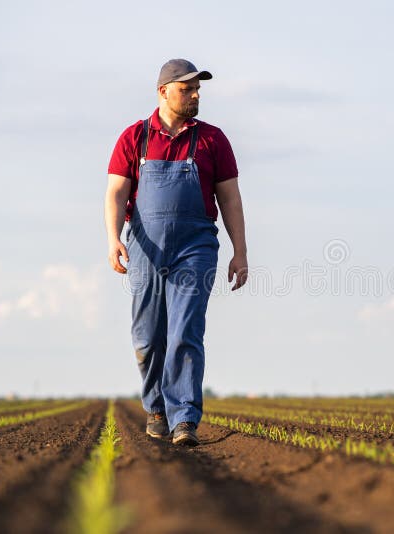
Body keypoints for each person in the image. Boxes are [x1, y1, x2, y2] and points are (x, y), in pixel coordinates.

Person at [104, 59, 248, 446]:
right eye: (187, 88)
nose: (195, 94)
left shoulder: (212, 140)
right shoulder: (135, 137)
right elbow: (117, 193)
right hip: (145, 246)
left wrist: (240, 251)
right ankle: (156, 408)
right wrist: (114, 237)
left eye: (198, 88)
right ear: (163, 91)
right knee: (148, 336)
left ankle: (184, 417)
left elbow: (230, 199)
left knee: (186, 329)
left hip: (196, 246)